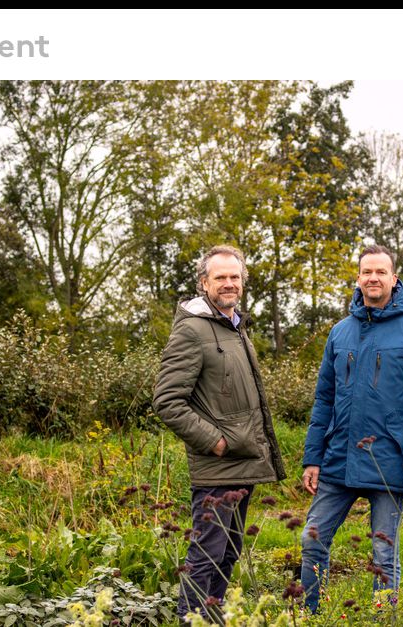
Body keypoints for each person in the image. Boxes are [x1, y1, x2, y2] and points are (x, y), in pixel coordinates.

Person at [299, 244, 403, 612]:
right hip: (338, 460)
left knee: (383, 553)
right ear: (358, 278)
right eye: (367, 272)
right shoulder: (340, 332)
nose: (373, 278)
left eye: (381, 272)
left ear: (394, 279)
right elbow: (324, 400)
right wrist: (313, 458)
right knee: (312, 539)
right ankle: (311, 615)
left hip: (390, 463)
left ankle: (384, 618)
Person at [153, 244, 287, 623]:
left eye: (234, 277)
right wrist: (215, 441)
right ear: (203, 283)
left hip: (244, 462)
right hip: (217, 466)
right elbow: (166, 400)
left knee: (228, 553)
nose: (229, 284)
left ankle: (210, 619)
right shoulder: (192, 330)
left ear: (242, 281)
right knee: (206, 554)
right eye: (220, 277)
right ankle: (190, 620)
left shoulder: (236, 326)